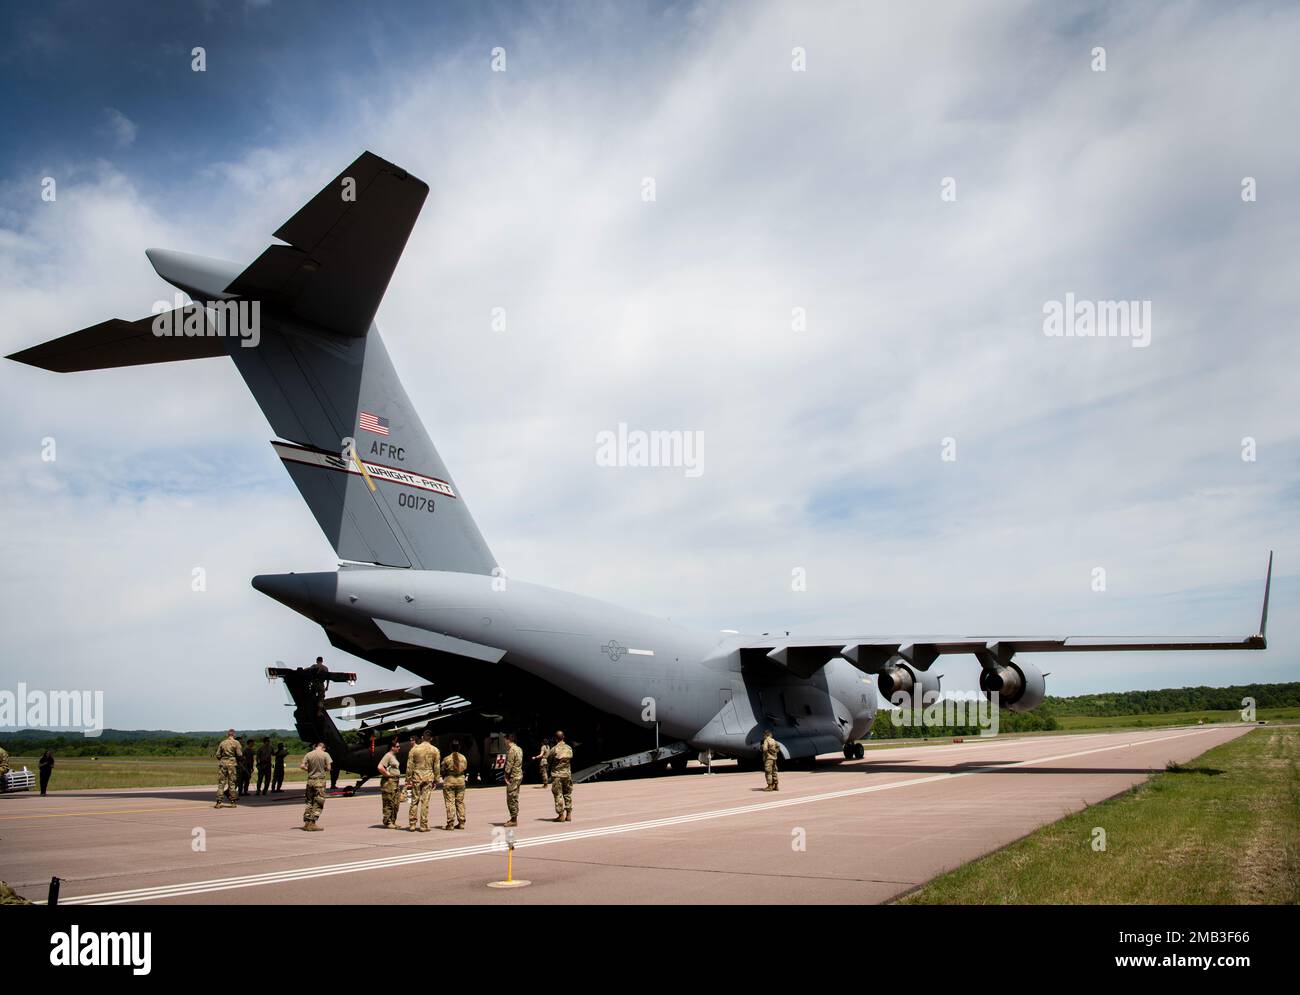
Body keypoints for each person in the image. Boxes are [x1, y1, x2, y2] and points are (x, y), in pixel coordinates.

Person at [406, 731, 440, 832]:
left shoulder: (414, 749)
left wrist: (408, 778)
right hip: (428, 778)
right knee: (425, 802)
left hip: (417, 777)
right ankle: (423, 825)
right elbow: (436, 767)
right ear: (431, 739)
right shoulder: (435, 750)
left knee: (414, 800)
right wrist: (436, 780)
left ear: (422, 737)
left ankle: (412, 824)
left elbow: (409, 765)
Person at [299, 740, 332, 831]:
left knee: (309, 801)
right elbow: (329, 767)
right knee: (318, 802)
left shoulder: (308, 754)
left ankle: (306, 823)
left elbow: (302, 766)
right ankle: (312, 823)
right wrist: (324, 769)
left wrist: (309, 770)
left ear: (316, 746)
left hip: (310, 781)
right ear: (323, 748)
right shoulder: (325, 754)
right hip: (320, 781)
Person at [441, 740, 468, 830]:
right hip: (461, 781)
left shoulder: (446, 759)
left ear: (450, 747)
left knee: (450, 802)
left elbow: (442, 771)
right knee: (460, 802)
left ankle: (450, 823)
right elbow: (465, 768)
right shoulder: (463, 758)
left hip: (449, 781)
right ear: (459, 747)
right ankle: (461, 823)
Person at [377, 737, 403, 828]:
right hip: (389, 783)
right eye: (397, 746)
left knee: (396, 803)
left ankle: (393, 821)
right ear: (392, 747)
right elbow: (380, 767)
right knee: (389, 802)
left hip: (395, 782)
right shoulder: (388, 755)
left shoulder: (393, 756)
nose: (399, 748)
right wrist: (387, 775)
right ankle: (387, 822)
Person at [549, 730, 574, 822]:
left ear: (555, 738)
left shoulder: (554, 749)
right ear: (563, 737)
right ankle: (569, 815)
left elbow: (549, 760)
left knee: (558, 795)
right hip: (567, 774)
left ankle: (561, 815)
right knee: (567, 794)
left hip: (557, 775)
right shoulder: (569, 748)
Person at [215, 729, 242, 808]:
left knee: (221, 783)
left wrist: (223, 759)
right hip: (232, 764)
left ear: (227, 735)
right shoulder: (236, 743)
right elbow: (239, 754)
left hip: (223, 764)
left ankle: (218, 802)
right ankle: (233, 801)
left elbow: (218, 755)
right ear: (234, 735)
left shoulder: (222, 743)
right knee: (232, 783)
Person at [503, 732, 524, 827]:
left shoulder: (512, 750)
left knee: (511, 798)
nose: (504, 742)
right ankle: (514, 817)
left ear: (508, 740)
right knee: (515, 797)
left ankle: (513, 819)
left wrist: (506, 775)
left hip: (513, 776)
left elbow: (509, 764)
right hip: (519, 775)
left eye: (505, 740)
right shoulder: (519, 749)